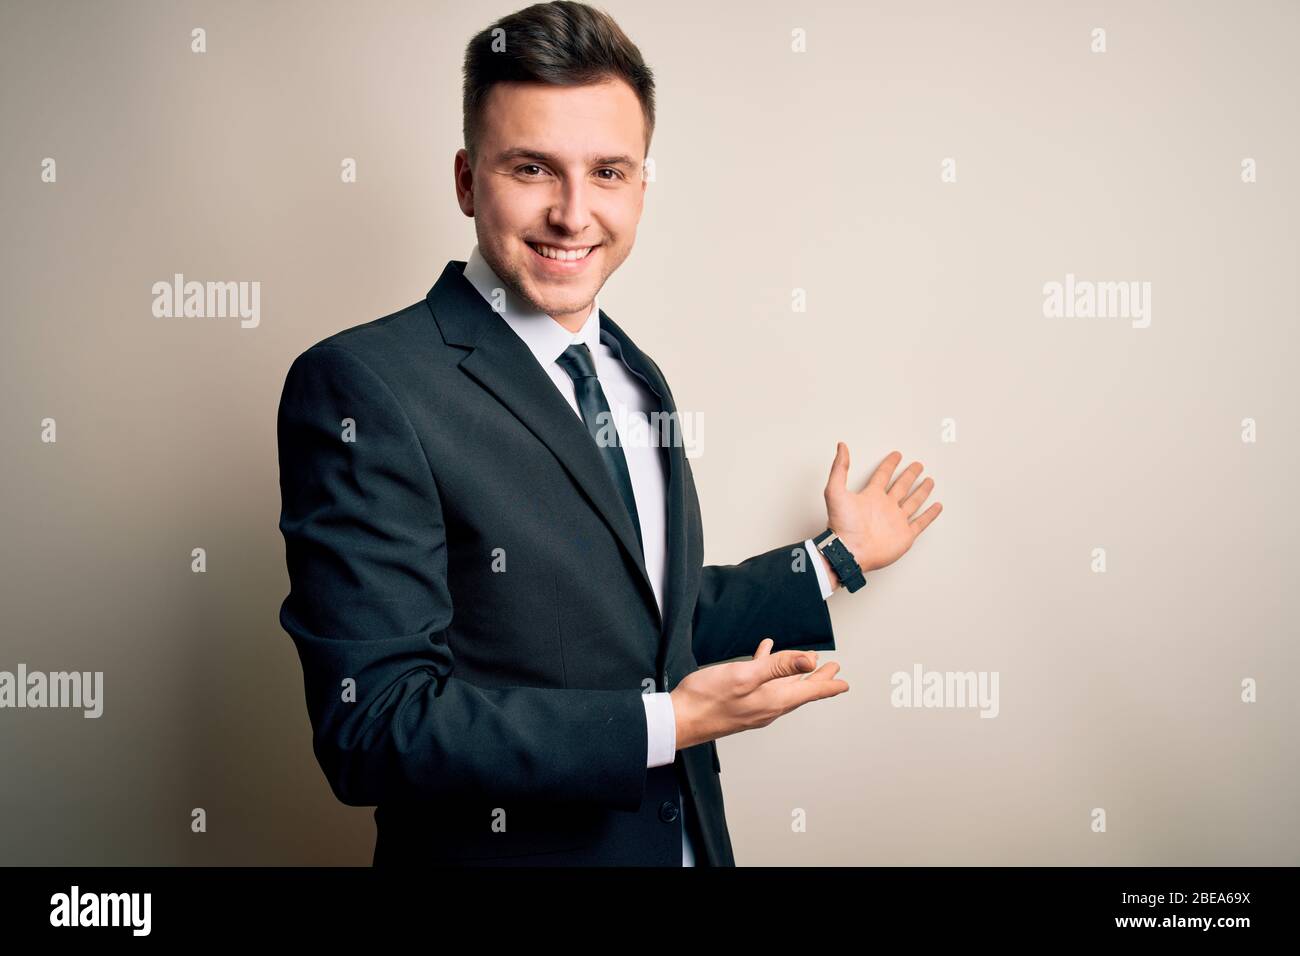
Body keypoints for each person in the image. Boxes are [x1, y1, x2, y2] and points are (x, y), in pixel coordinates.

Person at [275, 0, 942, 866]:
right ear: (468, 180)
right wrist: (670, 723)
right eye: (532, 168)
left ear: (641, 187)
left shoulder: (633, 373)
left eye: (608, 172)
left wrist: (834, 558)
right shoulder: (364, 385)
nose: (573, 212)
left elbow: (647, 623)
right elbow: (375, 725)